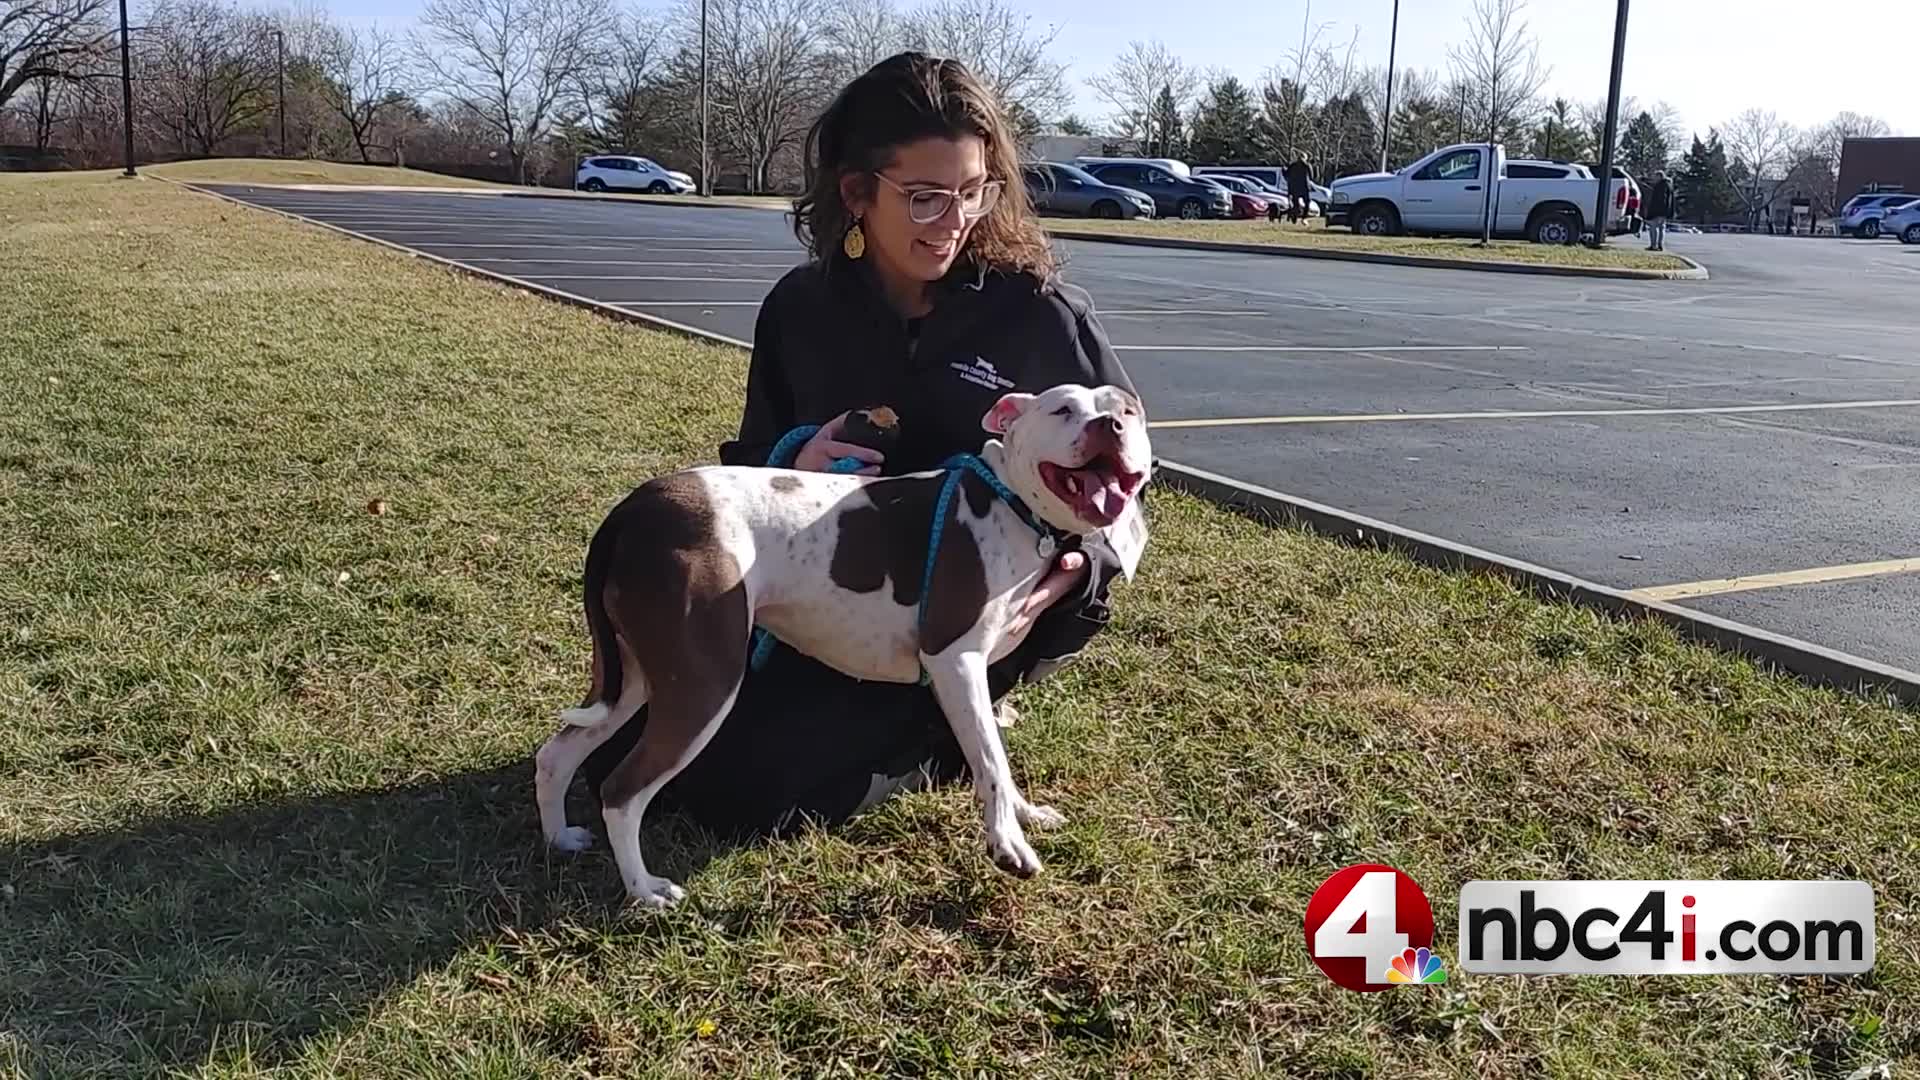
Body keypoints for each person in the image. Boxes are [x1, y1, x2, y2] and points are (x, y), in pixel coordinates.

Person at [578, 51, 1140, 839]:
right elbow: (751, 463)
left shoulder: (1042, 317)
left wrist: (1073, 577)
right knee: (646, 752)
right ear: (855, 192)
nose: (954, 219)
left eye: (973, 193)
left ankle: (947, 730)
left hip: (981, 619)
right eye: (923, 198)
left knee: (756, 794)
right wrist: (791, 460)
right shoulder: (800, 310)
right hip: (825, 606)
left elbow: (1127, 490)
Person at [1643, 169, 1675, 251]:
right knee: (1662, 228)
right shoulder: (1669, 185)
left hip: (1658, 210)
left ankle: (1654, 245)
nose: (1654, 178)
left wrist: (1653, 210)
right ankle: (1660, 245)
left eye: (1655, 176)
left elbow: (1660, 199)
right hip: (1666, 210)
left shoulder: (1660, 186)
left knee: (1654, 227)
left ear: (1660, 176)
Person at [1285, 156, 1313, 224]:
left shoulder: (1292, 165)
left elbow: (1286, 174)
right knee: (1307, 203)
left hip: (1294, 187)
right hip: (1304, 187)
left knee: (1295, 204)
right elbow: (1312, 176)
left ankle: (1294, 218)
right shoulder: (1307, 165)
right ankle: (1304, 218)